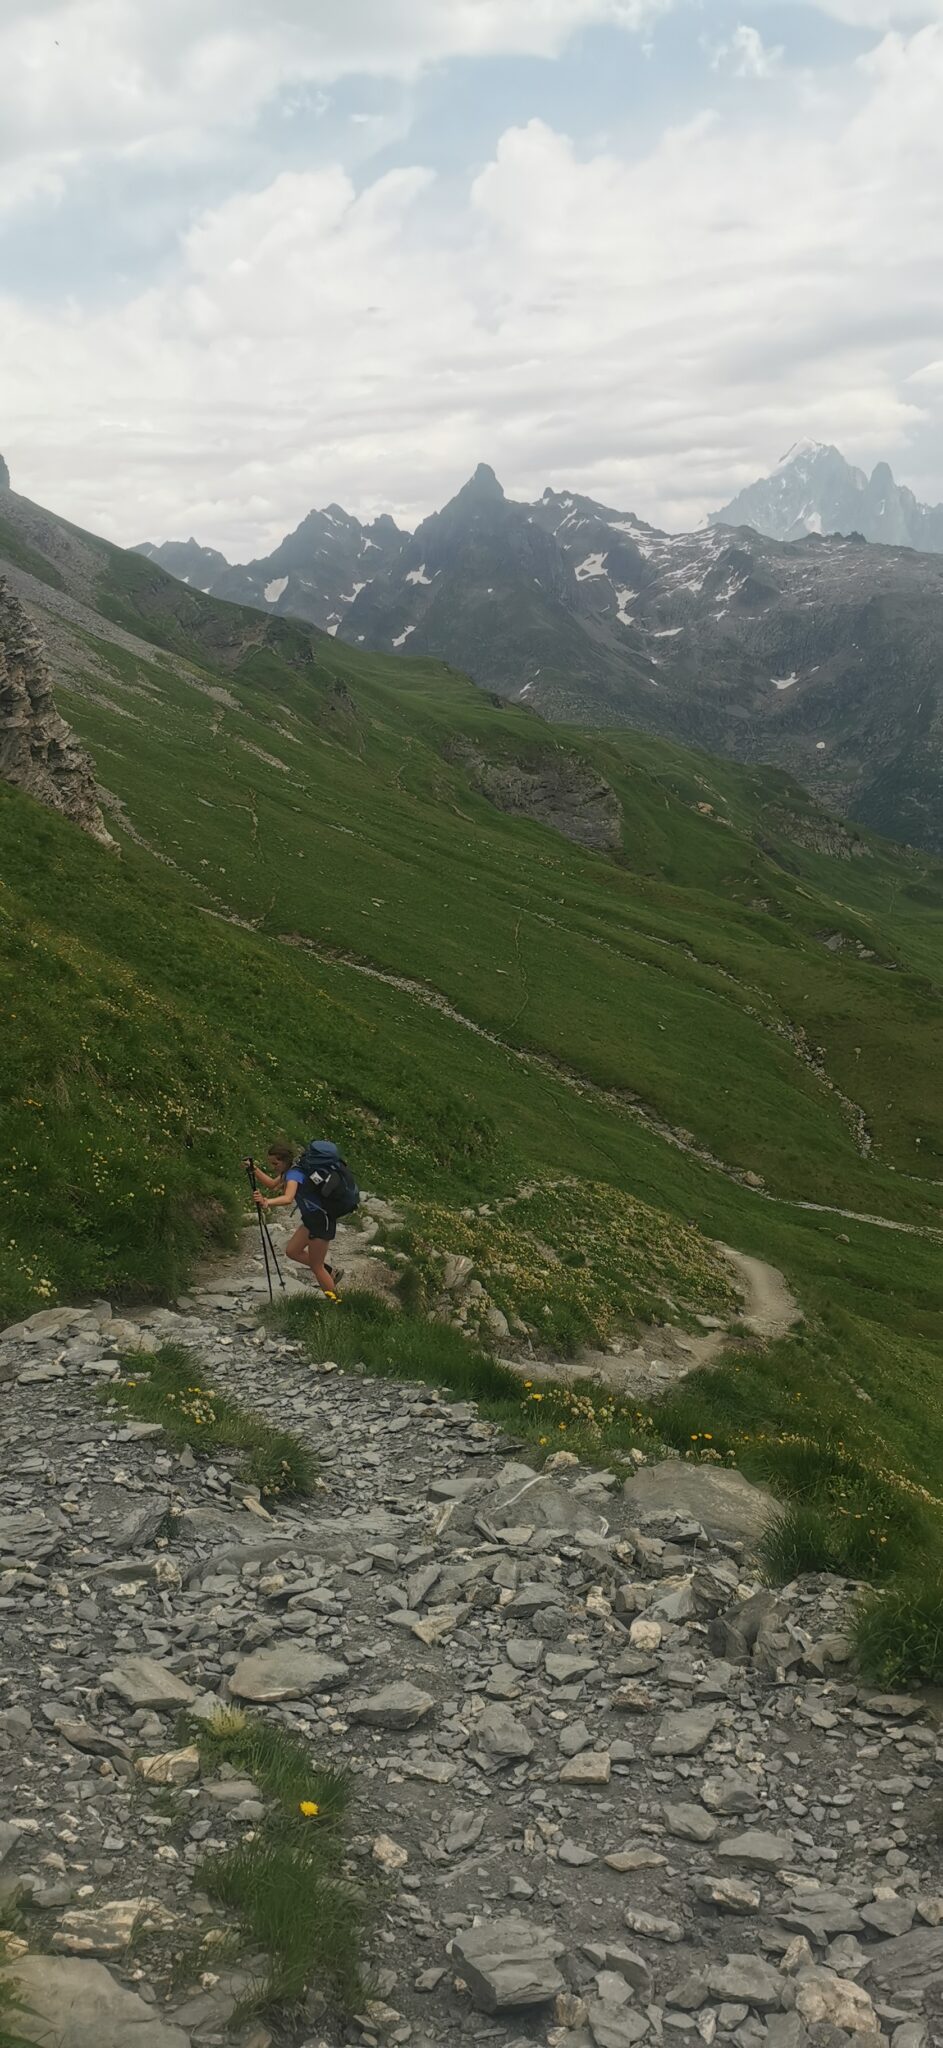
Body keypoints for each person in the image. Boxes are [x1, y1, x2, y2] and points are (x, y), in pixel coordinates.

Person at [249, 1142, 341, 1300]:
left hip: (320, 1221)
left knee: (316, 1266)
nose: (273, 1167)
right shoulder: (291, 1170)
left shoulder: (294, 1175)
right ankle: (330, 1272)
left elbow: (288, 1198)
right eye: (271, 1163)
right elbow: (272, 1184)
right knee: (292, 1251)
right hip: (312, 1219)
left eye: (275, 1163)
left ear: (284, 1161)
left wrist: (266, 1202)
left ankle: (336, 1303)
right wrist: (254, 1169)